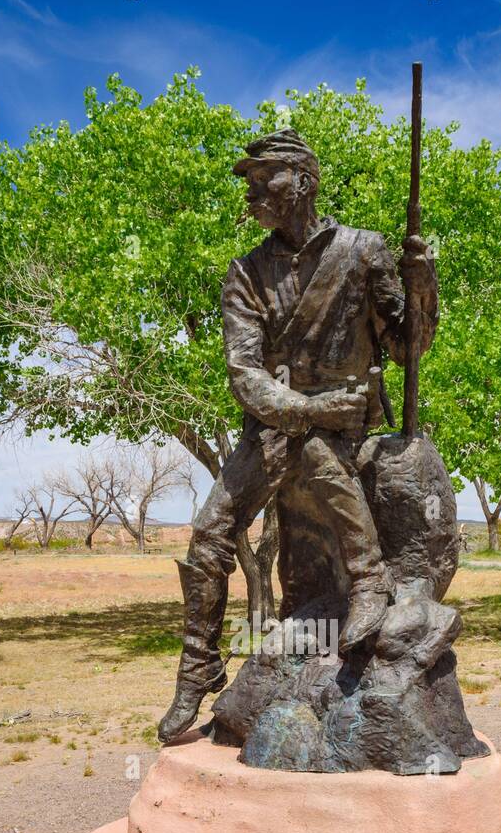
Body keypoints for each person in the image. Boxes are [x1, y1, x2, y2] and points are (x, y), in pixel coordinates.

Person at [159, 128, 438, 742]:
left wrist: (423, 286)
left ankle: (370, 583)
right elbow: (245, 374)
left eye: (266, 181)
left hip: (346, 429)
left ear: (304, 181)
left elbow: (406, 347)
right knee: (209, 533)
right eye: (250, 183)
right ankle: (197, 670)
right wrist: (308, 409)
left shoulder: (364, 251)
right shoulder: (246, 273)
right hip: (278, 428)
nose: (253, 194)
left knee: (317, 456)